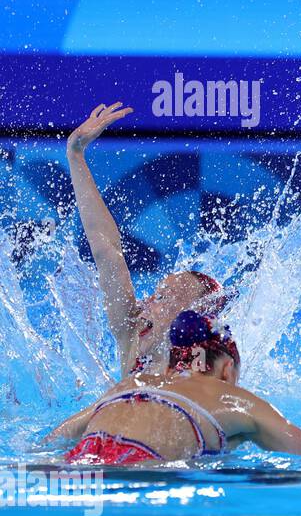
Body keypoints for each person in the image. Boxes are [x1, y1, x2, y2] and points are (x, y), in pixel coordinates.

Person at [66, 102, 229, 380]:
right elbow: (107, 250)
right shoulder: (132, 340)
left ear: (192, 318)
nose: (143, 303)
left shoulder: (207, 383)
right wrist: (75, 154)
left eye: (162, 297)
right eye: (154, 294)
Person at [45, 310, 301, 465]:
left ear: (172, 363)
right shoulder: (236, 400)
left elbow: (53, 439)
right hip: (145, 463)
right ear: (227, 368)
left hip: (81, 456)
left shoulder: (133, 382)